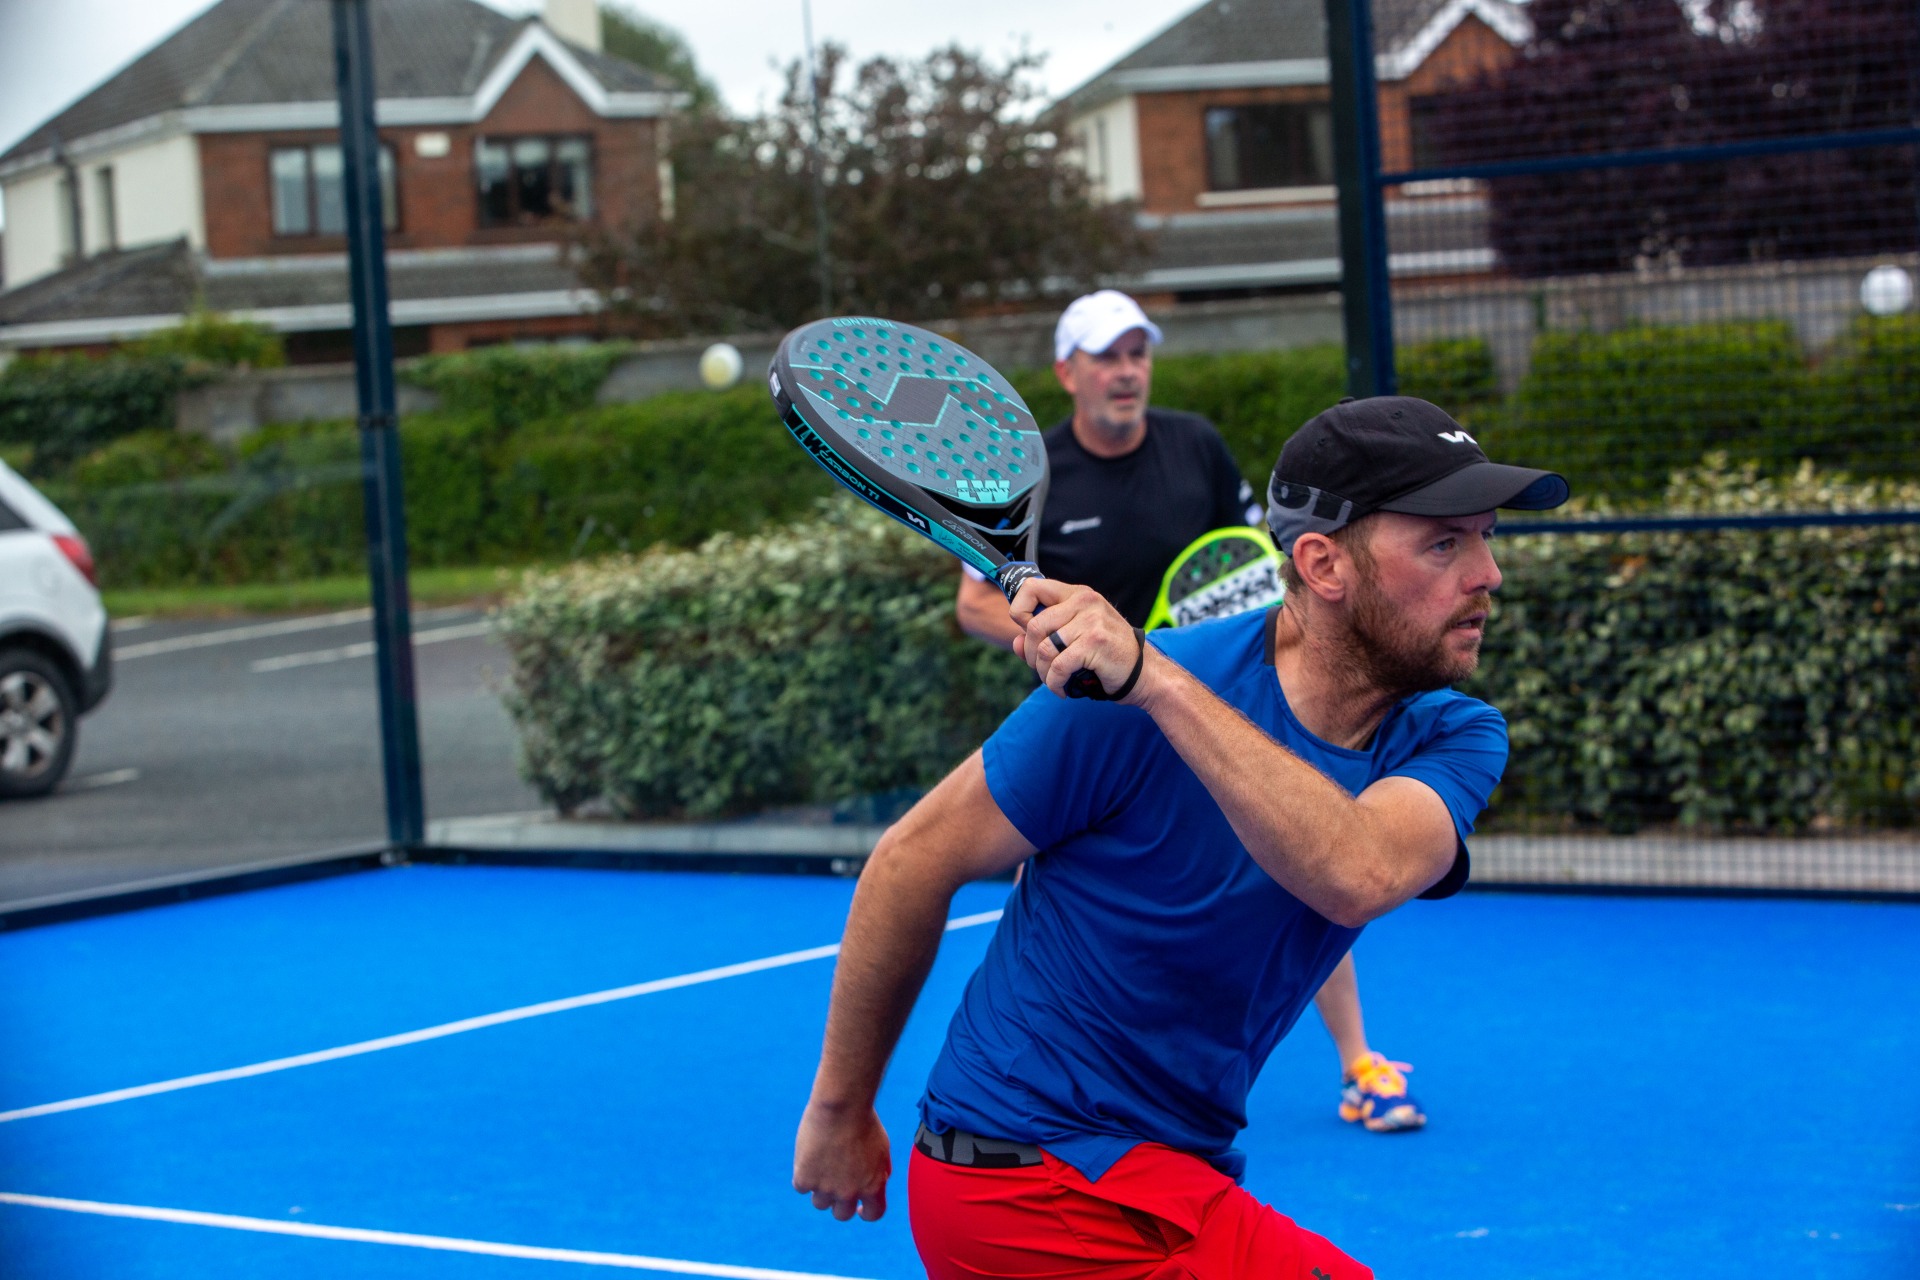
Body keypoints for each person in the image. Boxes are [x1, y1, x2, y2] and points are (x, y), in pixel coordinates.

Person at [795, 395, 1568, 1276]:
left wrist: (1156, 681)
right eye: (1445, 542)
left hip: (1157, 1176)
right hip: (1021, 1177)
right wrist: (840, 1109)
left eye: (1486, 537)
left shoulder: (1451, 734)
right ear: (1321, 564)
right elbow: (910, 859)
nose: (1487, 575)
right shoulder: (1123, 703)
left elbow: (1360, 869)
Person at [957, 290, 1427, 1135]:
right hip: (1084, 727)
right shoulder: (1031, 476)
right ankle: (1062, 1094)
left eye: (1138, 352)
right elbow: (975, 603)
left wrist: (1158, 661)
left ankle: (1363, 1067)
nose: (1127, 370)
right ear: (1068, 372)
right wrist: (1072, 640)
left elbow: (1262, 564)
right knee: (1061, 905)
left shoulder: (1196, 446)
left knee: (1300, 865)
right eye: (1107, 355)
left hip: (1209, 702)